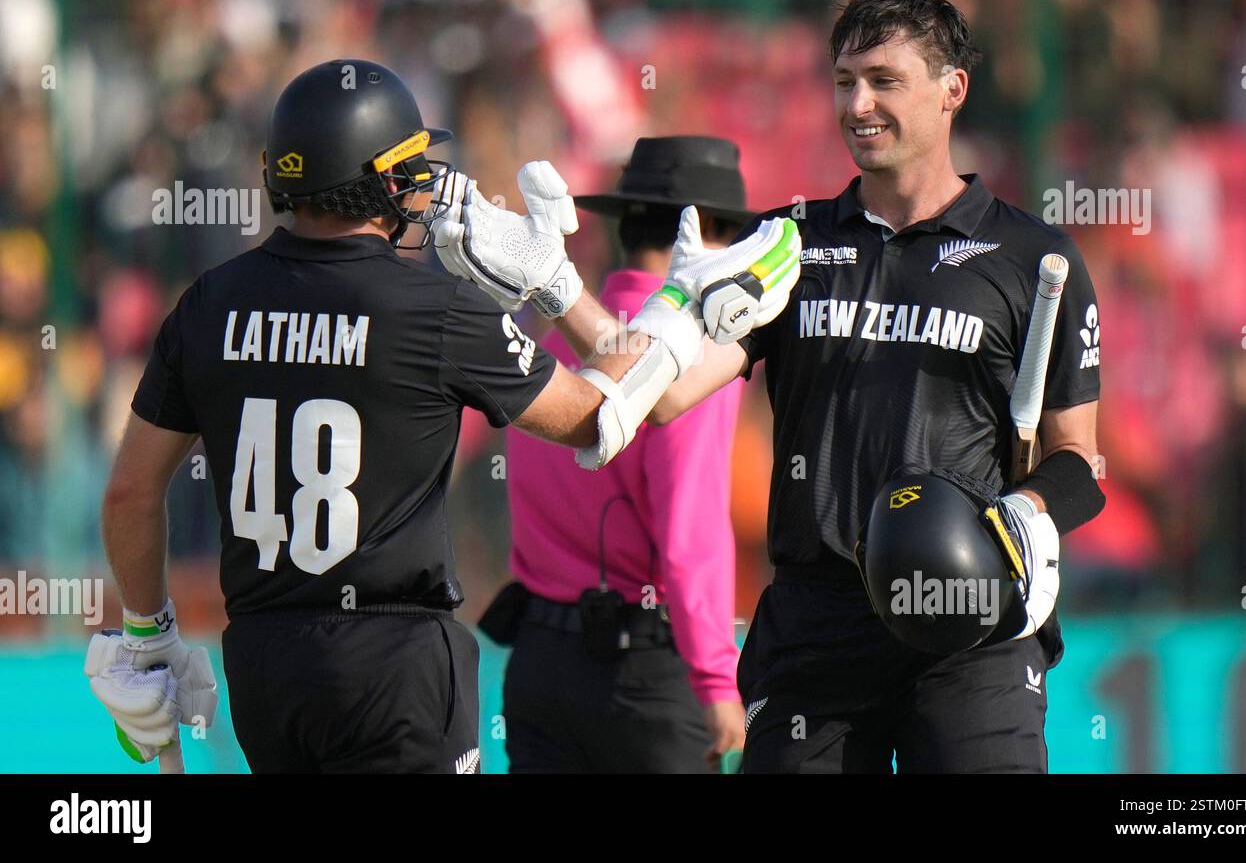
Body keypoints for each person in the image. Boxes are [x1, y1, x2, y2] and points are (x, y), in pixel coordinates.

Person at [442, 0, 1106, 773]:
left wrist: (1024, 516)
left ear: (952, 89)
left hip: (970, 627)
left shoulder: (1034, 257)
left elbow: (1081, 461)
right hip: (816, 629)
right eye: (844, 82)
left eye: (883, 81)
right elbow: (658, 393)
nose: (857, 105)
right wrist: (558, 289)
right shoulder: (783, 243)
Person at [85, 59, 801, 773]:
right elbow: (594, 419)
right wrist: (656, 305)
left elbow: (130, 491)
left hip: (265, 662)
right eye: (409, 167)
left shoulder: (208, 304)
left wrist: (146, 638)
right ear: (383, 178)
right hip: (395, 667)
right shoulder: (434, 310)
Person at [498, 136, 751, 773]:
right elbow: (688, 531)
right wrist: (718, 681)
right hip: (642, 677)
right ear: (709, 231)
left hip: (538, 663)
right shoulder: (690, 350)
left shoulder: (545, 331)